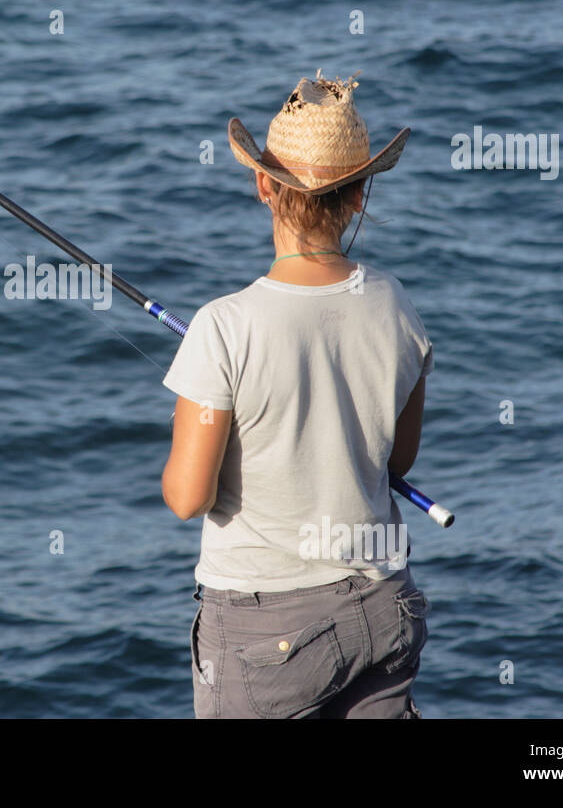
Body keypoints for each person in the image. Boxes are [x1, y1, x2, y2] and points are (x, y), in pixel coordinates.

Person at [161, 70, 433, 719]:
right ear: (361, 194)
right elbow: (398, 462)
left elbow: (187, 497)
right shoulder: (396, 306)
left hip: (267, 634)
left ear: (263, 183)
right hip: (383, 606)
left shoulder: (223, 326)